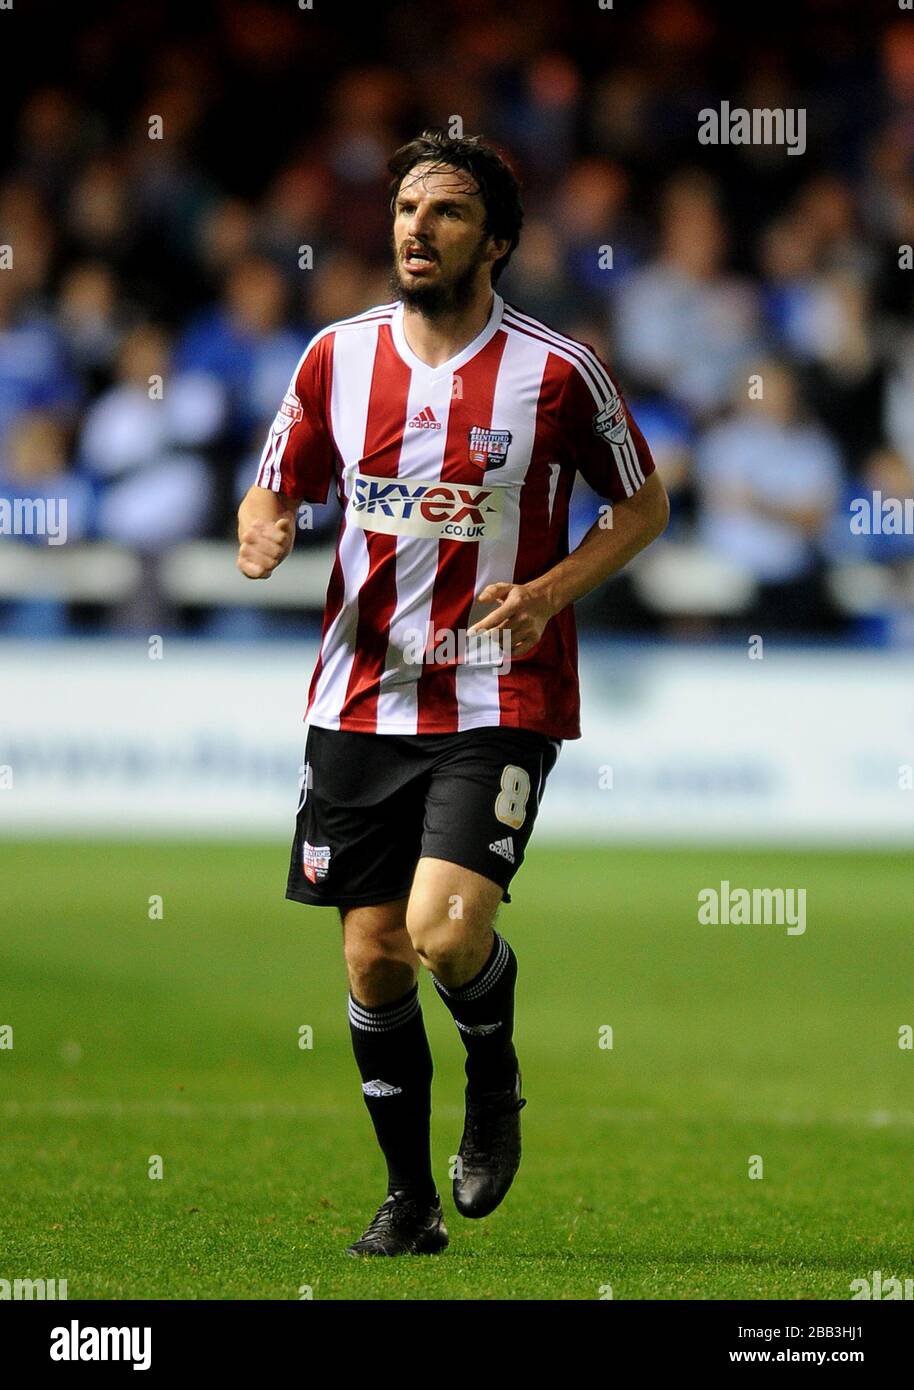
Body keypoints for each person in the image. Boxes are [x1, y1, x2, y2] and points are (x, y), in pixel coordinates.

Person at [236, 130, 669, 1256]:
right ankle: (407, 1200)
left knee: (440, 928)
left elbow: (641, 507)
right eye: (405, 208)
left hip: (497, 695)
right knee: (372, 952)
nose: (415, 229)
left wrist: (547, 590)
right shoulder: (334, 357)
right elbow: (274, 486)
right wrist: (268, 520)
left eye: (447, 212)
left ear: (499, 242)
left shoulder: (557, 372)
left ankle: (493, 1070)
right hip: (357, 697)